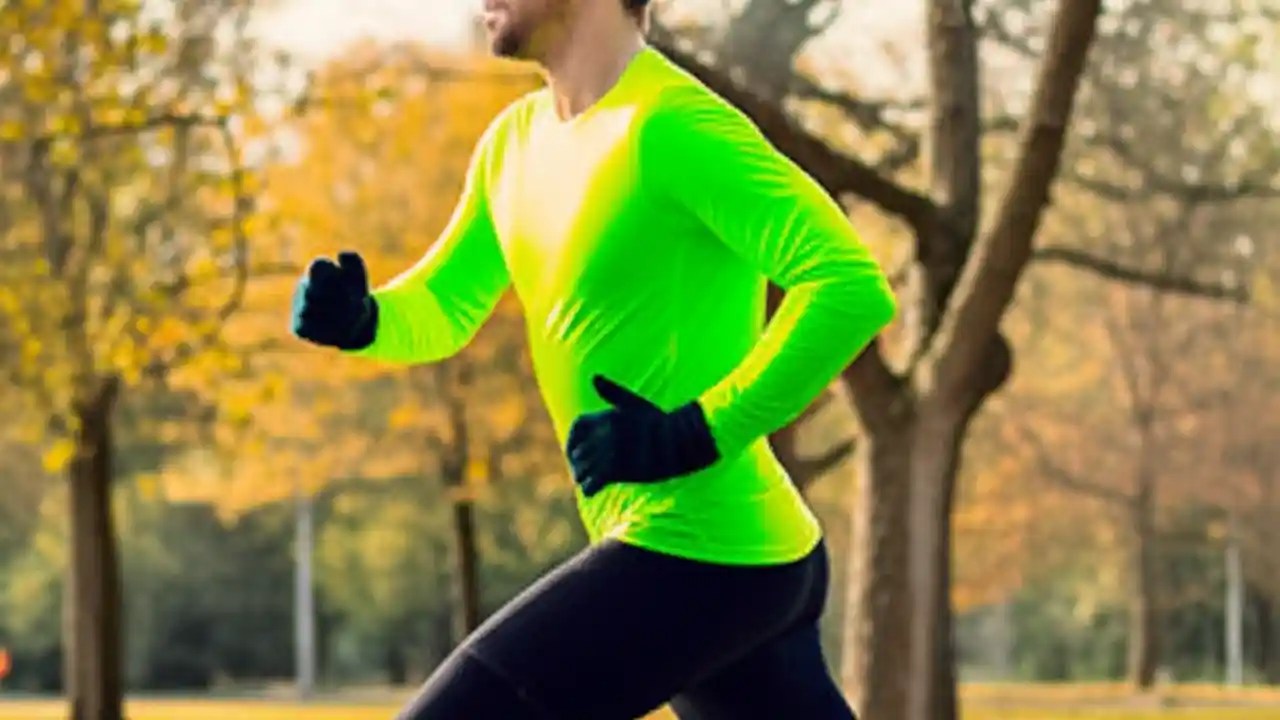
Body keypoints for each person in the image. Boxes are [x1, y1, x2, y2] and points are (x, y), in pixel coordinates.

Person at [290, 0, 896, 716]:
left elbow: (850, 287)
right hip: (743, 557)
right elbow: (446, 307)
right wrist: (365, 319)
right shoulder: (515, 141)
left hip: (696, 552)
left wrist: (694, 434)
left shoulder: (671, 126)